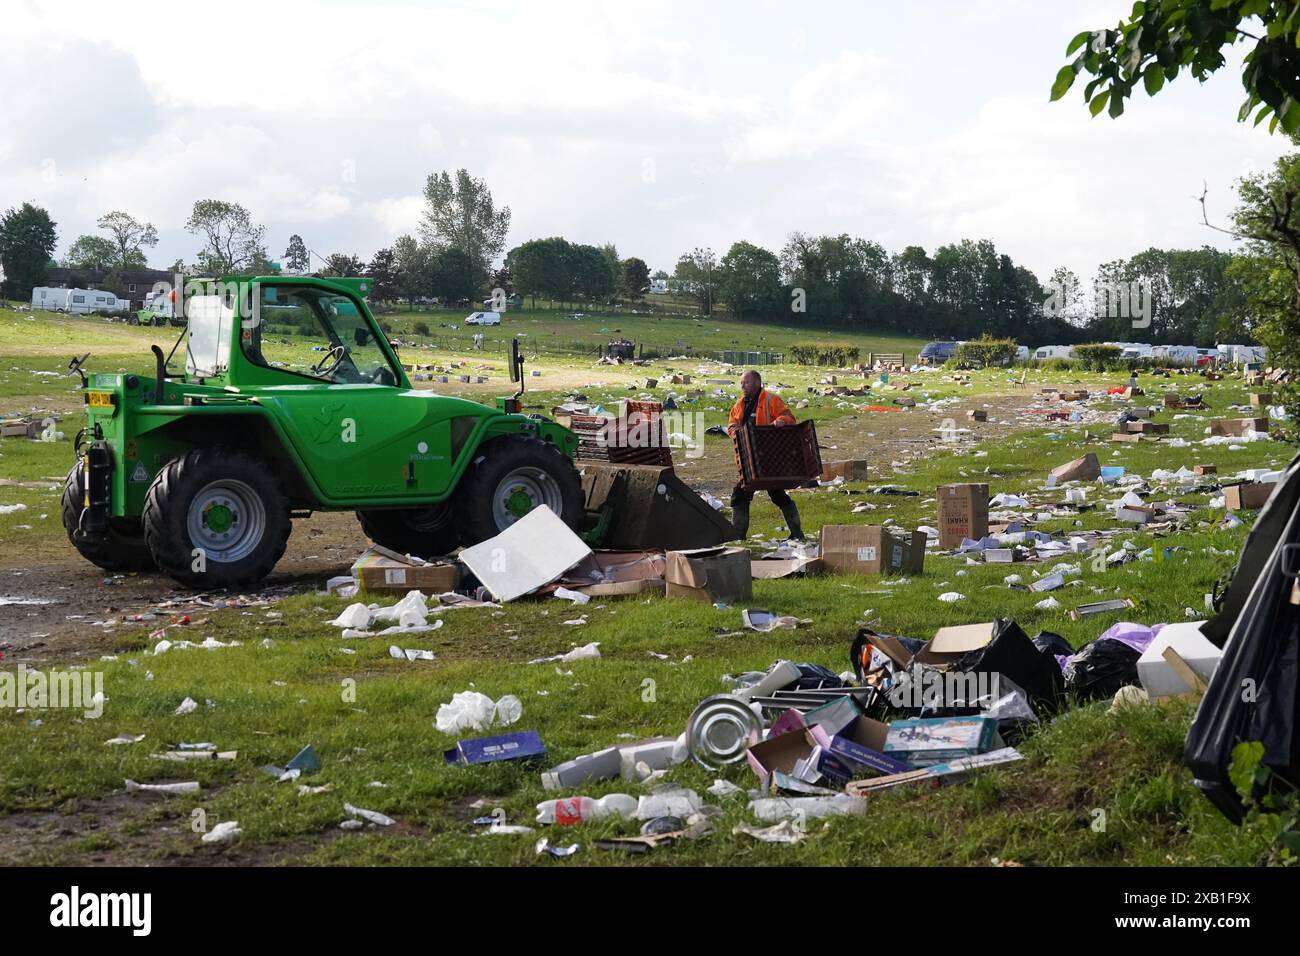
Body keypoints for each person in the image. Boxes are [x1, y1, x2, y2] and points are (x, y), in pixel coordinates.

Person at [726, 370, 804, 541]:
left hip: (770, 458)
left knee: (776, 494)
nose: (742, 386)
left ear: (756, 383)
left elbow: (789, 417)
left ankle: (797, 534)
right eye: (742, 383)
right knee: (741, 494)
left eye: (745, 382)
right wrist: (736, 432)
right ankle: (738, 537)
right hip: (750, 459)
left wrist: (781, 421)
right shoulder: (740, 404)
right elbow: (731, 424)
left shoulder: (771, 400)